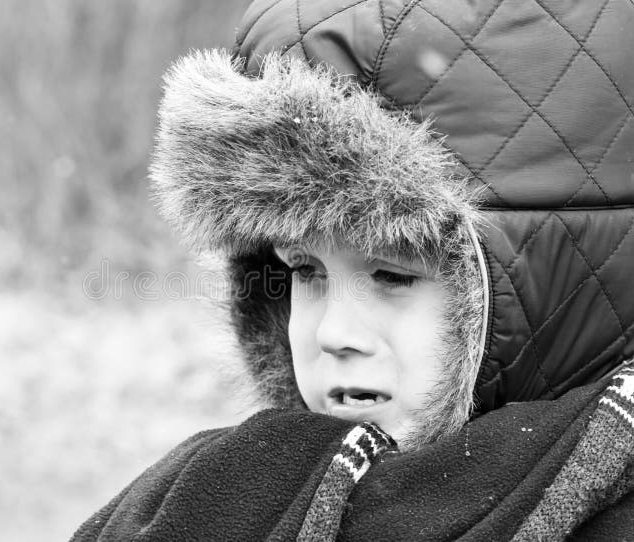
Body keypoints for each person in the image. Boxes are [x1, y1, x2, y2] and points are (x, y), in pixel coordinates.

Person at [72, 0, 634, 539]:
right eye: (306, 272)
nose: (332, 334)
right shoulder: (201, 503)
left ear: (551, 281)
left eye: (393, 276)